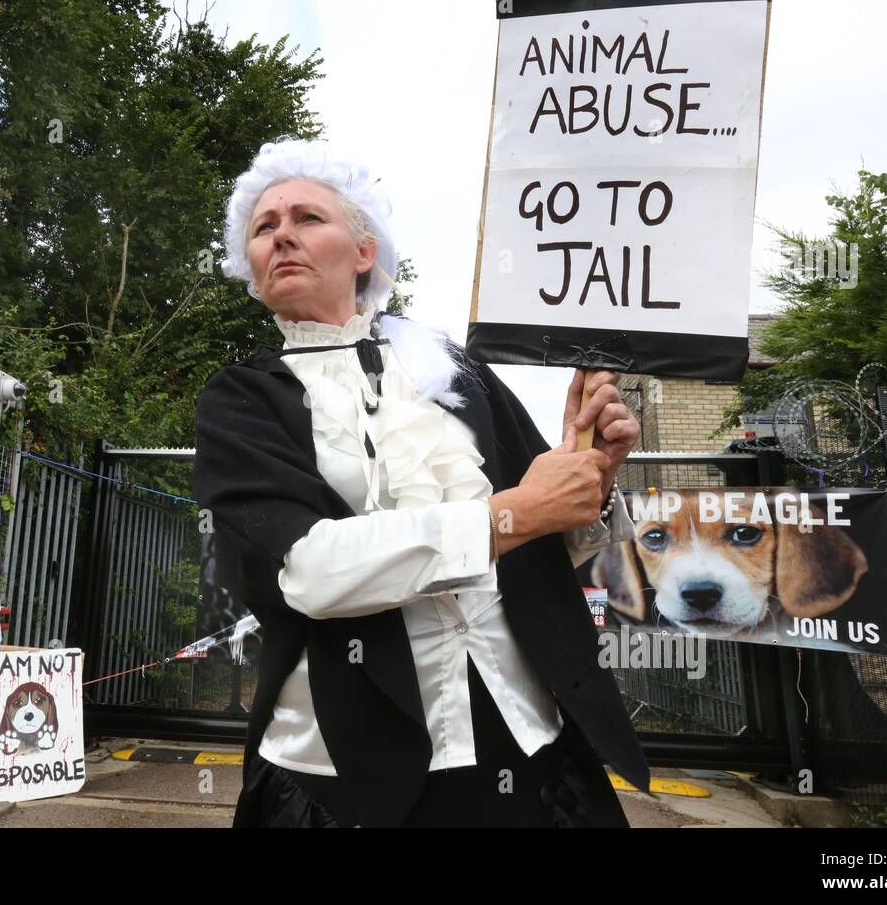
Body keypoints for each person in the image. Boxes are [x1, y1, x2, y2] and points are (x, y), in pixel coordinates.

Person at [192, 137, 652, 827]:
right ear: (254, 269)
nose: (282, 233)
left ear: (364, 251)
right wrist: (510, 515)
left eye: (307, 218)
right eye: (265, 227)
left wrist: (590, 473)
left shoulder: (455, 371)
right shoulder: (239, 401)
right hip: (345, 770)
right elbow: (313, 573)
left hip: (528, 739)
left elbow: (555, 542)